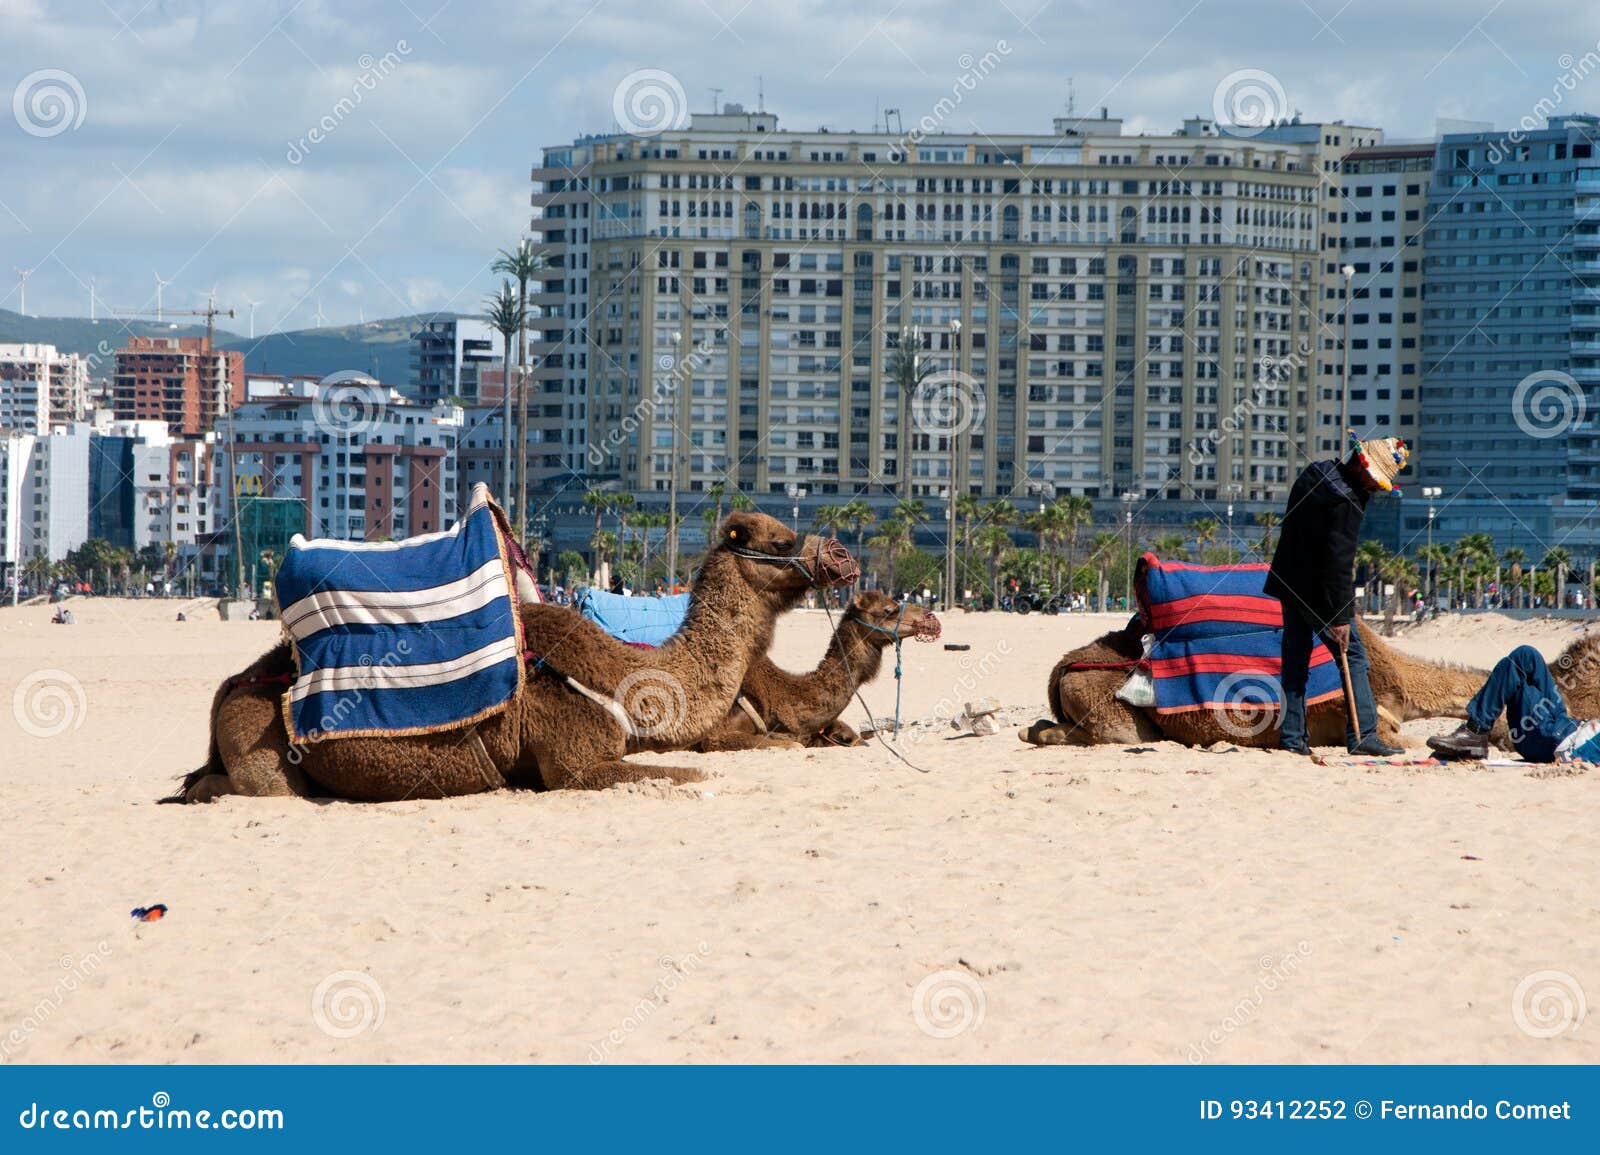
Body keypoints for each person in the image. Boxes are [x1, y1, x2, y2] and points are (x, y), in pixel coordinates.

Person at [1264, 434, 1410, 757]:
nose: (1374, 487)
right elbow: (1339, 563)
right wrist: (1340, 618)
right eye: (1374, 480)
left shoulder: (1313, 473)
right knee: (1354, 655)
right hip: (1320, 593)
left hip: (1290, 583)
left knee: (1295, 662)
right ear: (1361, 466)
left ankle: (1291, 739)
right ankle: (1363, 734)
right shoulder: (1348, 500)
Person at [1428, 646, 1600, 763]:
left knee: (1521, 658)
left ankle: (1475, 730)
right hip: (1566, 724)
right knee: (1528, 656)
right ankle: (1474, 737)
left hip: (1557, 739)